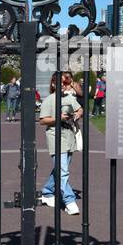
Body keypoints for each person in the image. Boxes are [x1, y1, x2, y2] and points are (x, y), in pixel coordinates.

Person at [39, 72, 81, 215]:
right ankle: (69, 200)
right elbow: (43, 120)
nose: (64, 85)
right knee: (63, 170)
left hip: (69, 136)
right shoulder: (49, 100)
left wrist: (78, 113)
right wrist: (58, 118)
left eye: (66, 83)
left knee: (60, 168)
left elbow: (79, 108)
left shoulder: (69, 97)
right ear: (53, 84)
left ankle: (47, 192)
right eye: (61, 83)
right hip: (55, 136)